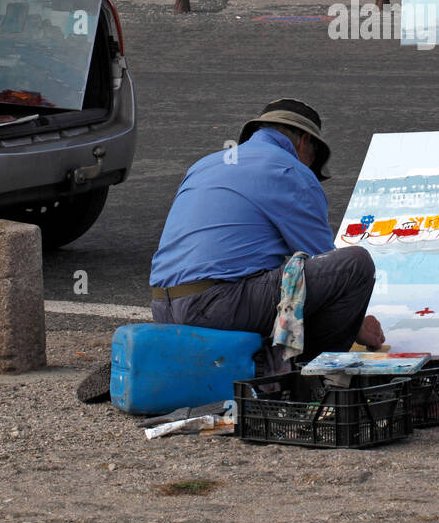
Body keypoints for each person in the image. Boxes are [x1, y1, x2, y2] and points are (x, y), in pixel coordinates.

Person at [149, 98, 384, 361]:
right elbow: (323, 260)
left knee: (270, 274)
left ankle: (262, 363)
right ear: (305, 141)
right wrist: (357, 326)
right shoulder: (289, 169)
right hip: (217, 307)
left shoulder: (205, 164)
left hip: (162, 308)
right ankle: (311, 375)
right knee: (355, 266)